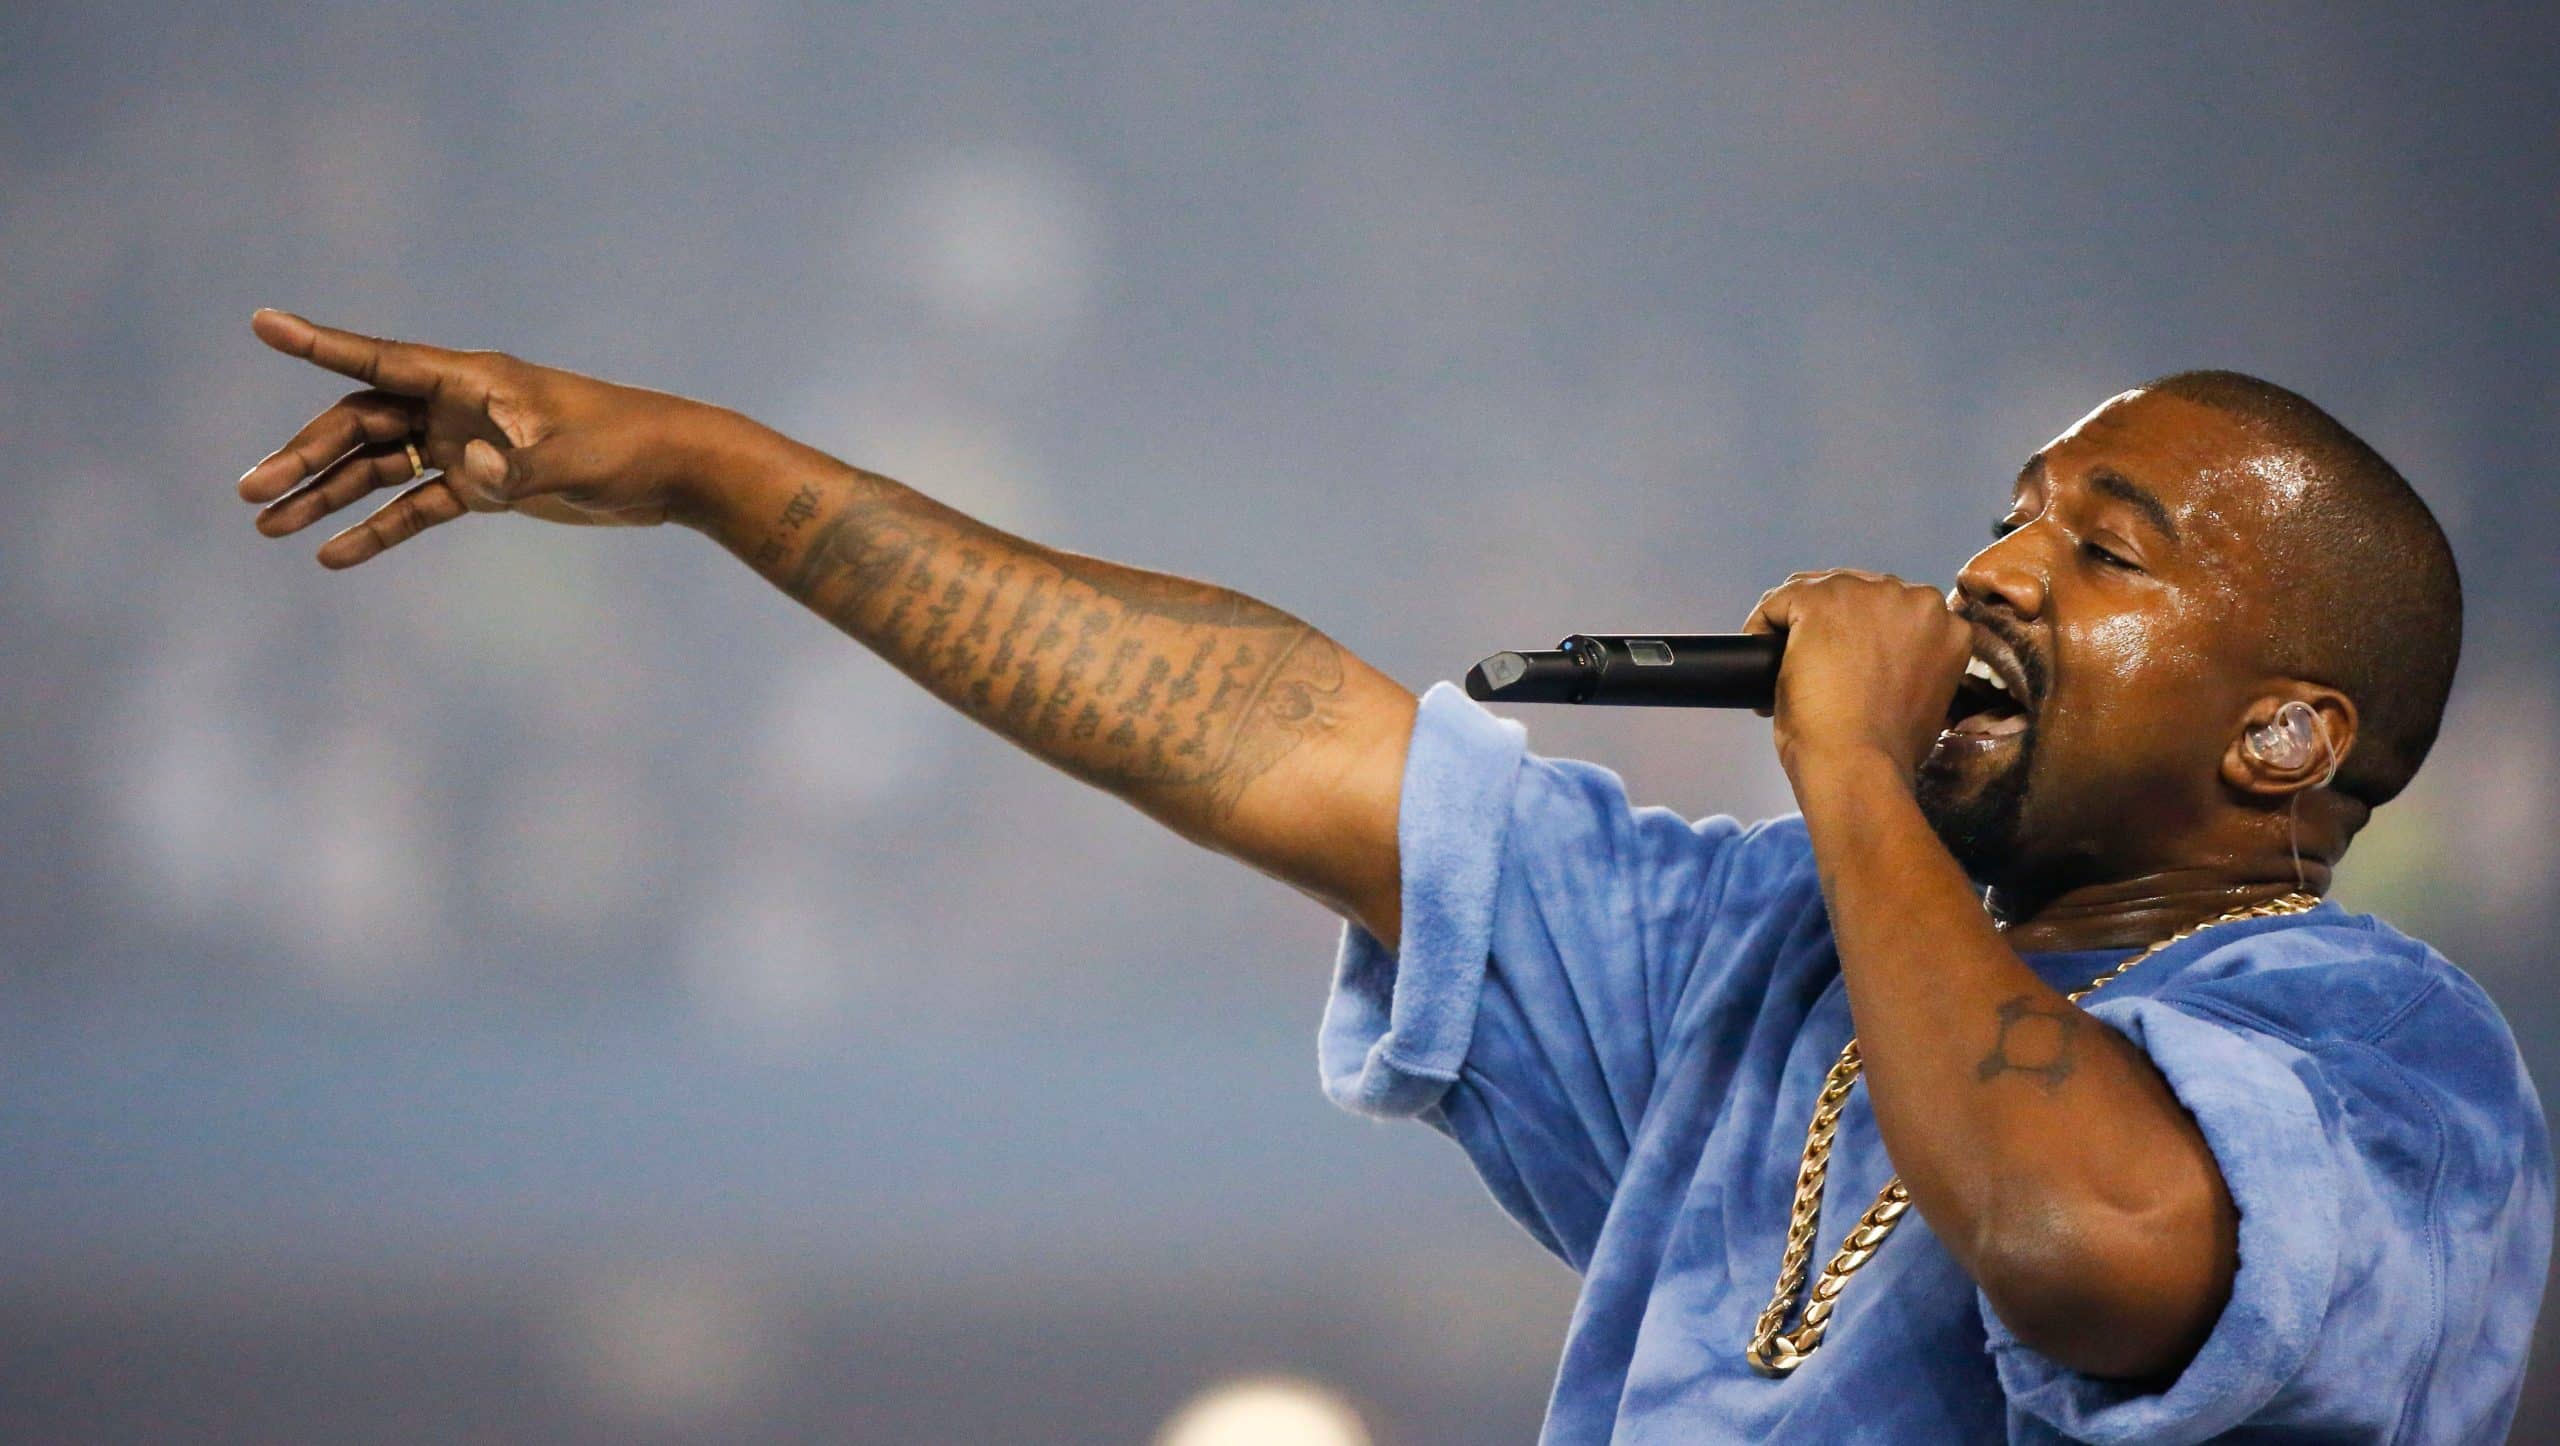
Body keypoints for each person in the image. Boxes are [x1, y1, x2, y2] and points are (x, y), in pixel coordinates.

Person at [233, 310, 2551, 1443]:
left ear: (2280, 737)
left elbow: (2077, 1241)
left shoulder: (2393, 1066)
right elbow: (1262, 733)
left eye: (2098, 551)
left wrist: (1843, 768)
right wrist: (708, 470)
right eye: (2004, 517)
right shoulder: (1767, 962)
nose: (1988, 576)